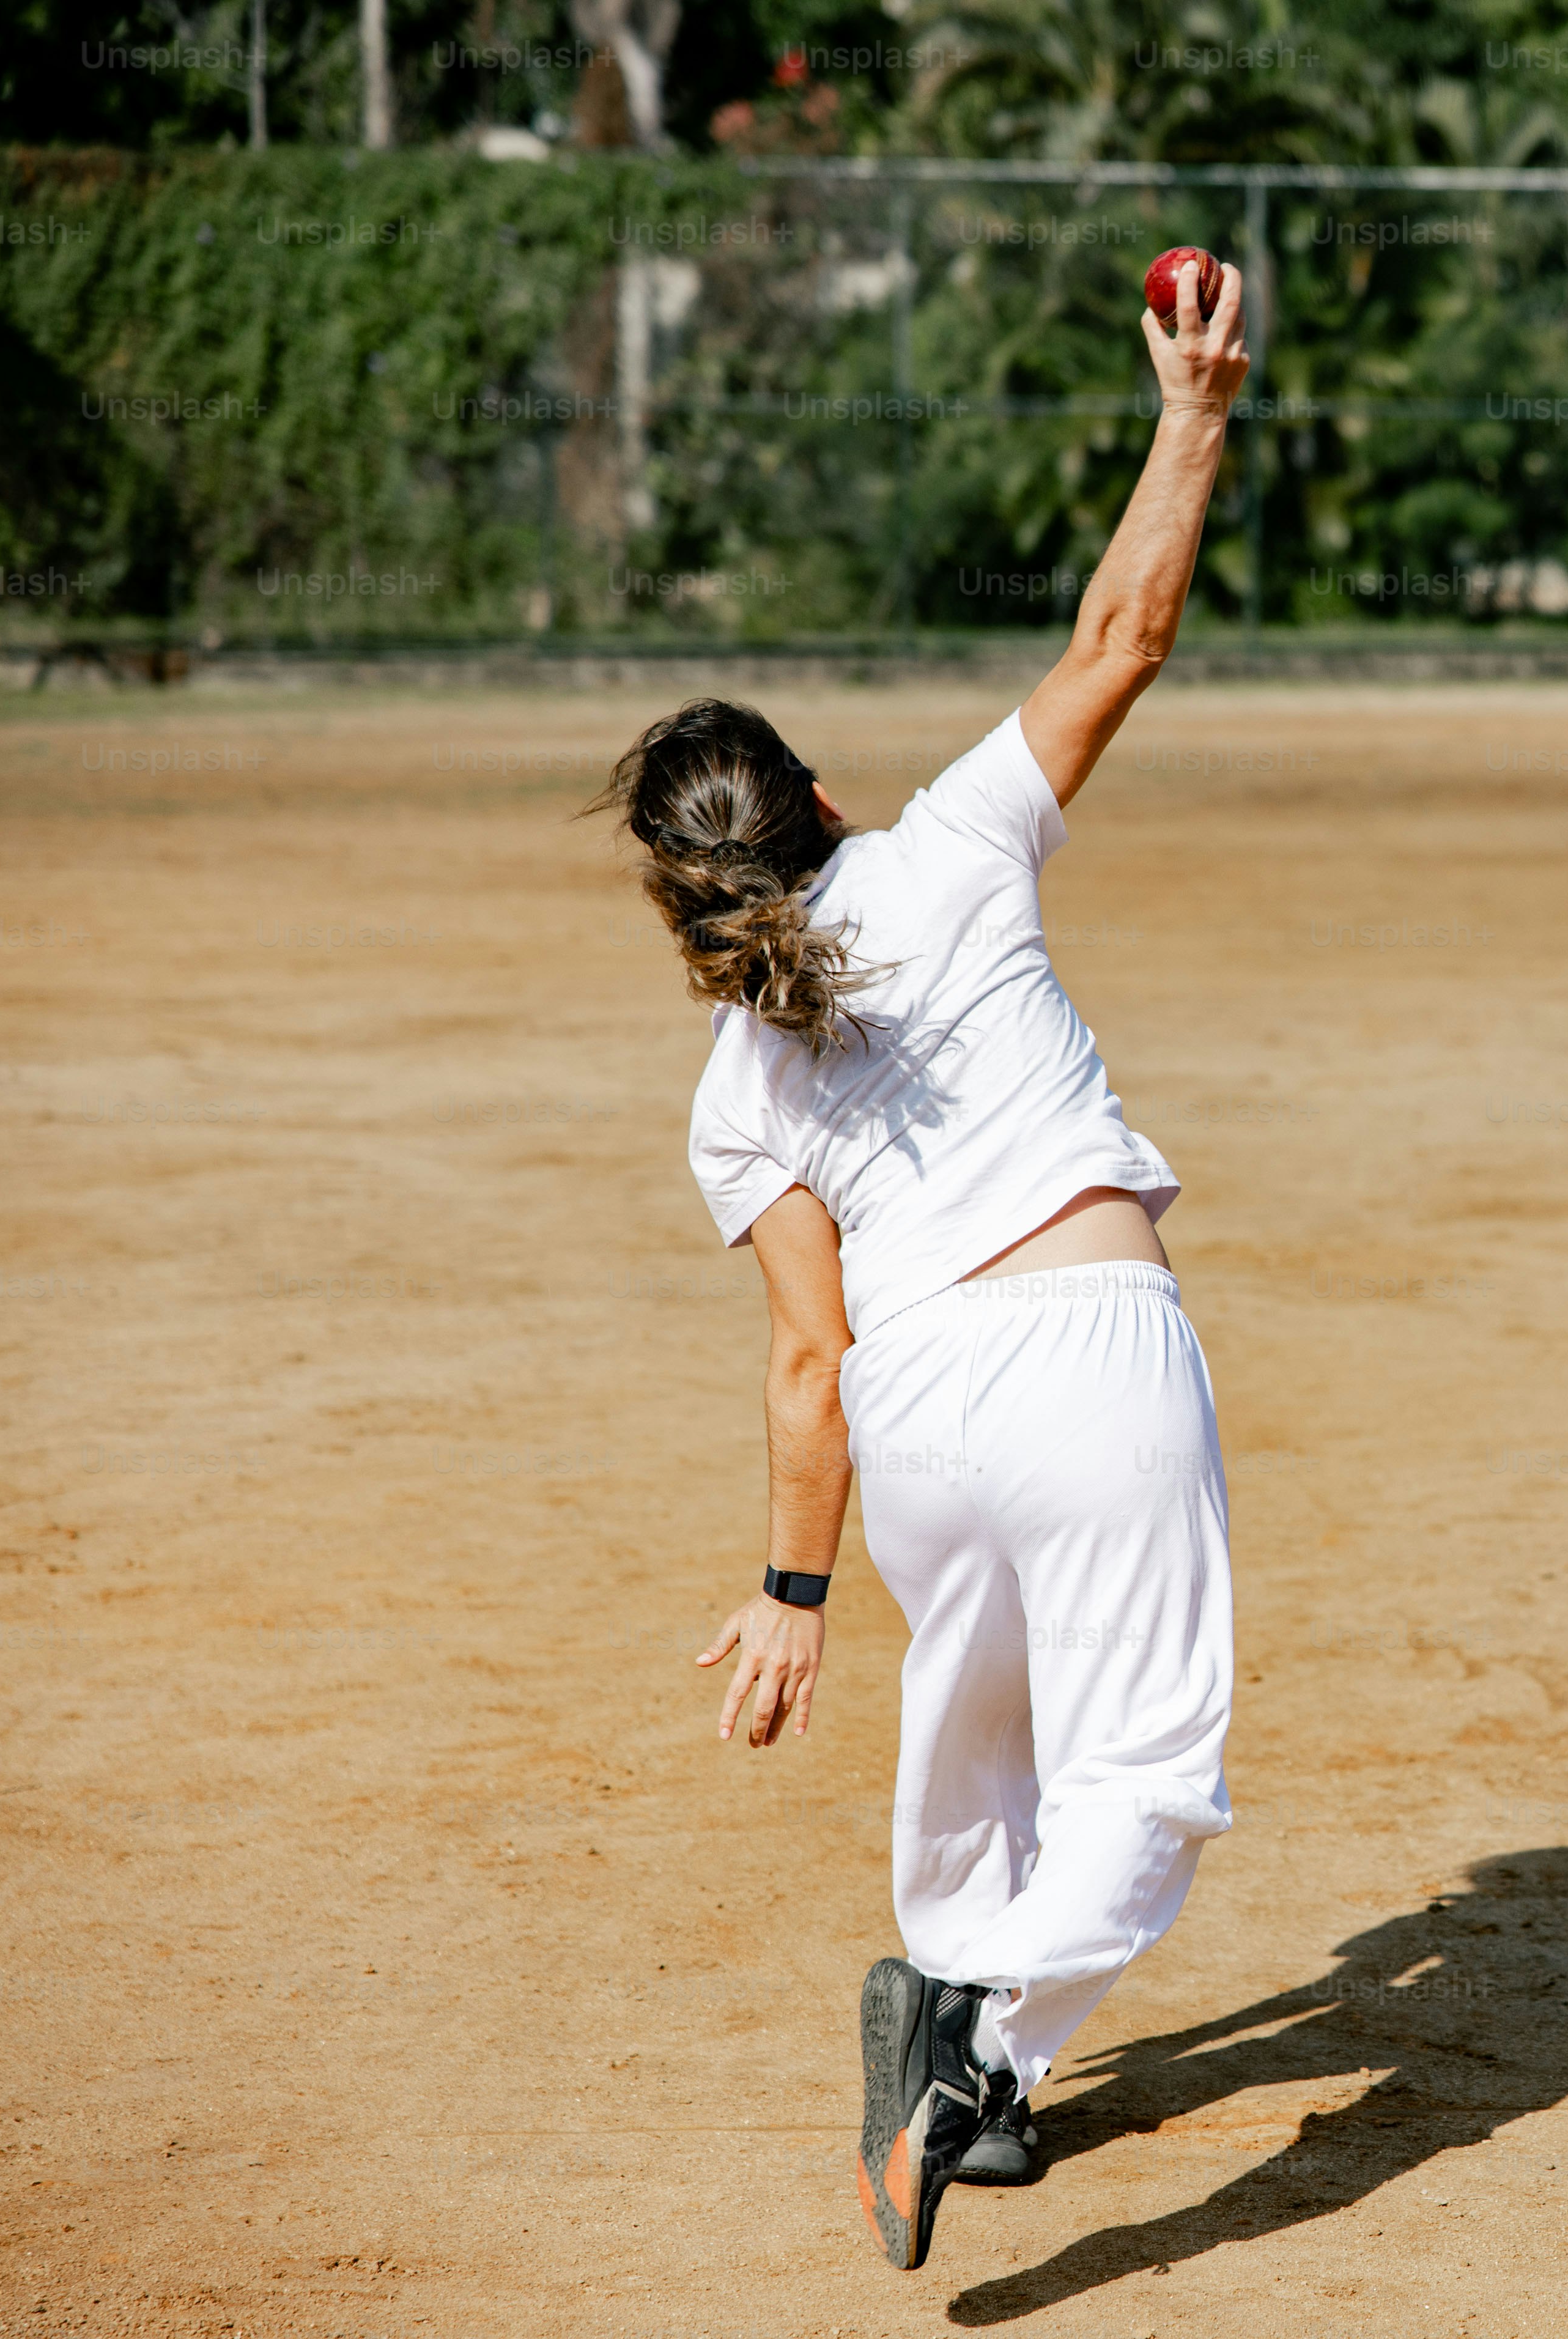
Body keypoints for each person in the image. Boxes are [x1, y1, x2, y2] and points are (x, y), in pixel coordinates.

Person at [590, 259, 1252, 2274]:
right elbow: (1123, 628)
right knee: (1147, 1781)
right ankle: (977, 2049)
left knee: (980, 1745)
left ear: (685, 898)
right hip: (1092, 1354)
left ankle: (978, 2030)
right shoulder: (953, 840)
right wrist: (1197, 405)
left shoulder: (729, 1084)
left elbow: (812, 1368)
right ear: (823, 795)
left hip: (923, 1418)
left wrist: (794, 1591)